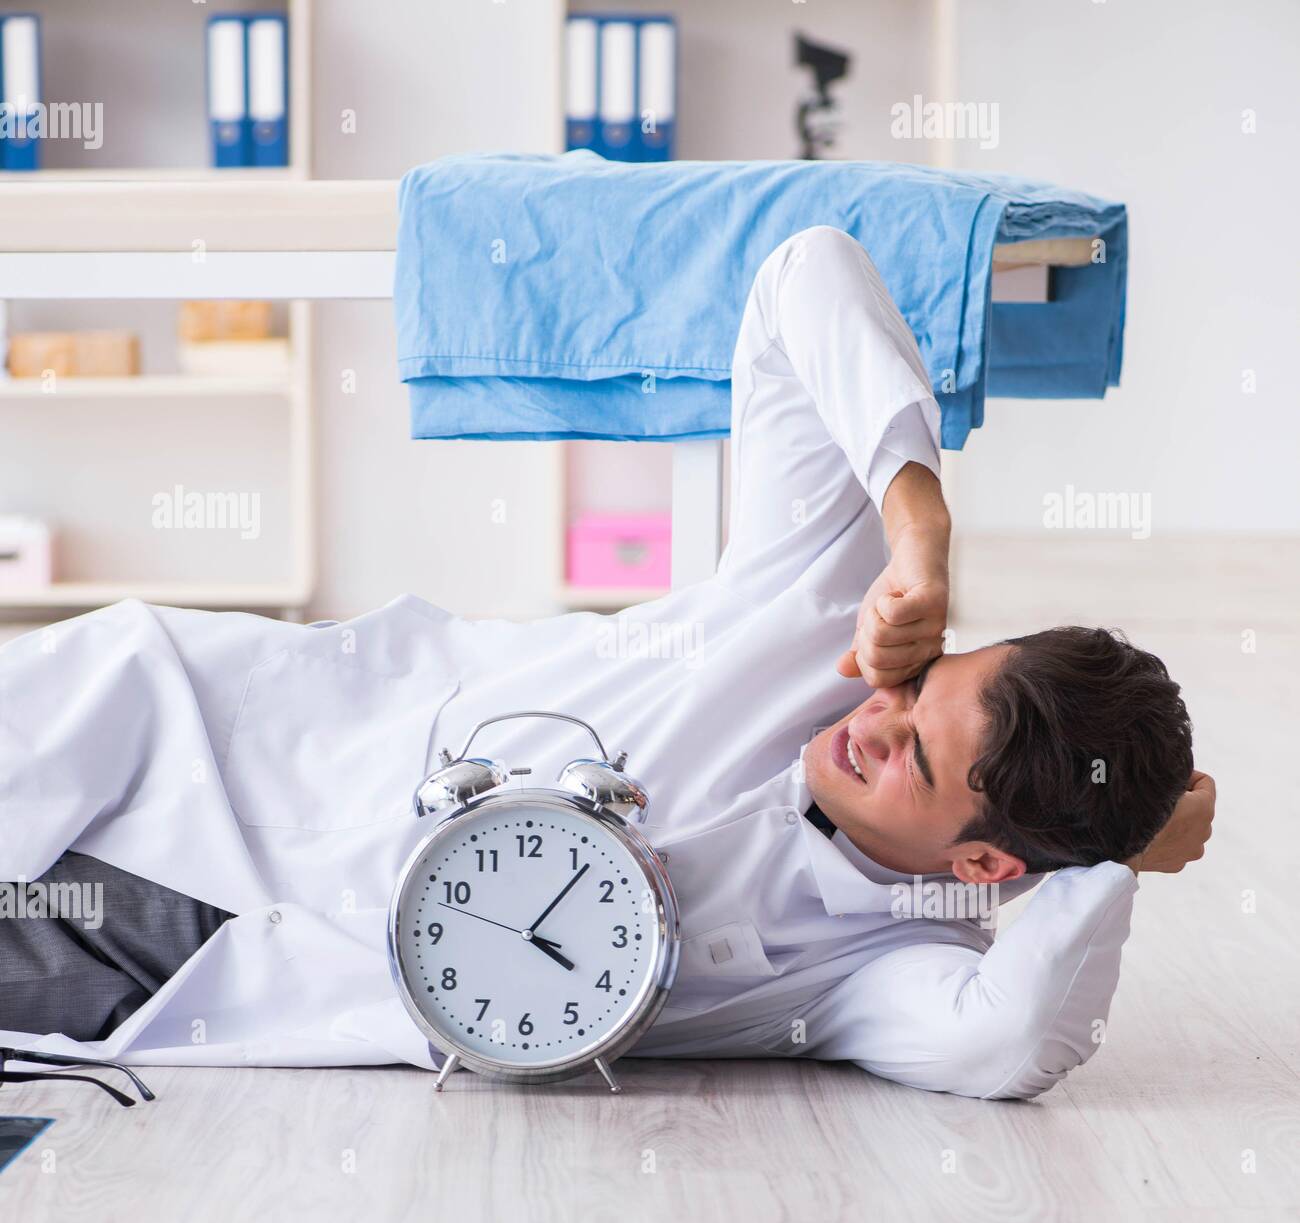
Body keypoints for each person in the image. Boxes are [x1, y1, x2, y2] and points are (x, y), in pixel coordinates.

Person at [0, 227, 1213, 1098]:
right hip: (195, 729)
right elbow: (807, 269)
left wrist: (1120, 854)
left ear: (986, 859)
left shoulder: (883, 965)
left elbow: (1003, 1046)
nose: (877, 720)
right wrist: (917, 525)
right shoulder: (825, 615)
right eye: (924, 690)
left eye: (917, 765)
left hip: (202, 963)